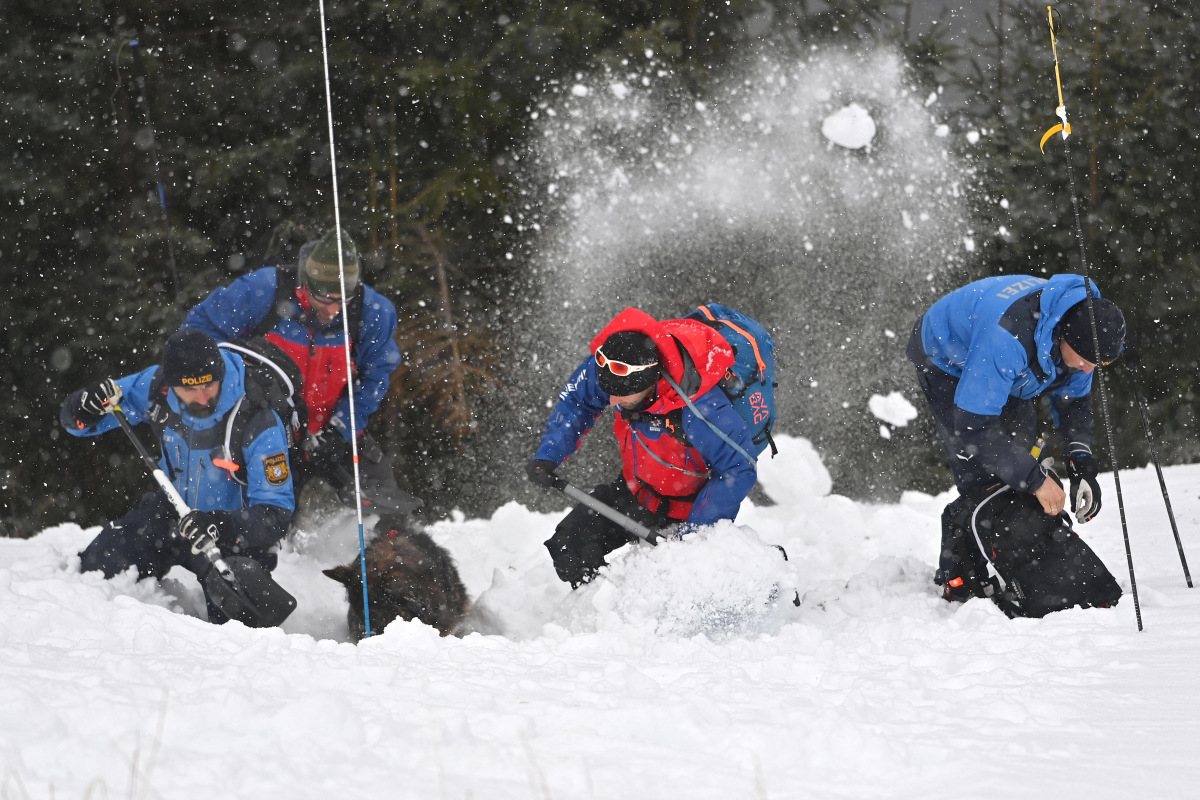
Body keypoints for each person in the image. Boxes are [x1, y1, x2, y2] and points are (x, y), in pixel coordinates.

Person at [906, 273, 1126, 601]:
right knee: (985, 473)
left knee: (1022, 456)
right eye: (1085, 359)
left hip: (1010, 359)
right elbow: (974, 429)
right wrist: (1035, 480)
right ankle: (960, 575)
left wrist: (1081, 461)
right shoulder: (1006, 340)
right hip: (947, 356)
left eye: (1100, 363)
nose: (1088, 369)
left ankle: (1029, 556)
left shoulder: (1083, 334)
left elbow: (1073, 401)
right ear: (1063, 337)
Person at [62, 329, 295, 623]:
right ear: (172, 386)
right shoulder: (155, 388)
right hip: (171, 513)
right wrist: (82, 406)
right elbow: (79, 423)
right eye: (189, 389)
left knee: (238, 631)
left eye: (209, 385)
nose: (202, 396)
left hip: (230, 533)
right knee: (95, 571)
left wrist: (220, 525)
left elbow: (276, 514)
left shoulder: (258, 420)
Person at [181, 228, 418, 515]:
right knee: (264, 519)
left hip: (329, 428)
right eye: (324, 298)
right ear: (305, 283)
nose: (333, 310)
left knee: (385, 507)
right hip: (263, 430)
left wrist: (342, 429)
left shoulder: (372, 313)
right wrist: (234, 383)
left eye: (342, 300)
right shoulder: (263, 291)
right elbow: (197, 334)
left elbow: (375, 377)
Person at [526, 307, 759, 587]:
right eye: (608, 392)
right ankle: (599, 612)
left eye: (622, 395)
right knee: (570, 548)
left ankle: (766, 566)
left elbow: (738, 469)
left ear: (649, 381)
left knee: (684, 582)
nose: (612, 401)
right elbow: (578, 402)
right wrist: (548, 455)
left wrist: (695, 538)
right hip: (637, 493)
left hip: (689, 511)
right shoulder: (611, 366)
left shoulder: (701, 408)